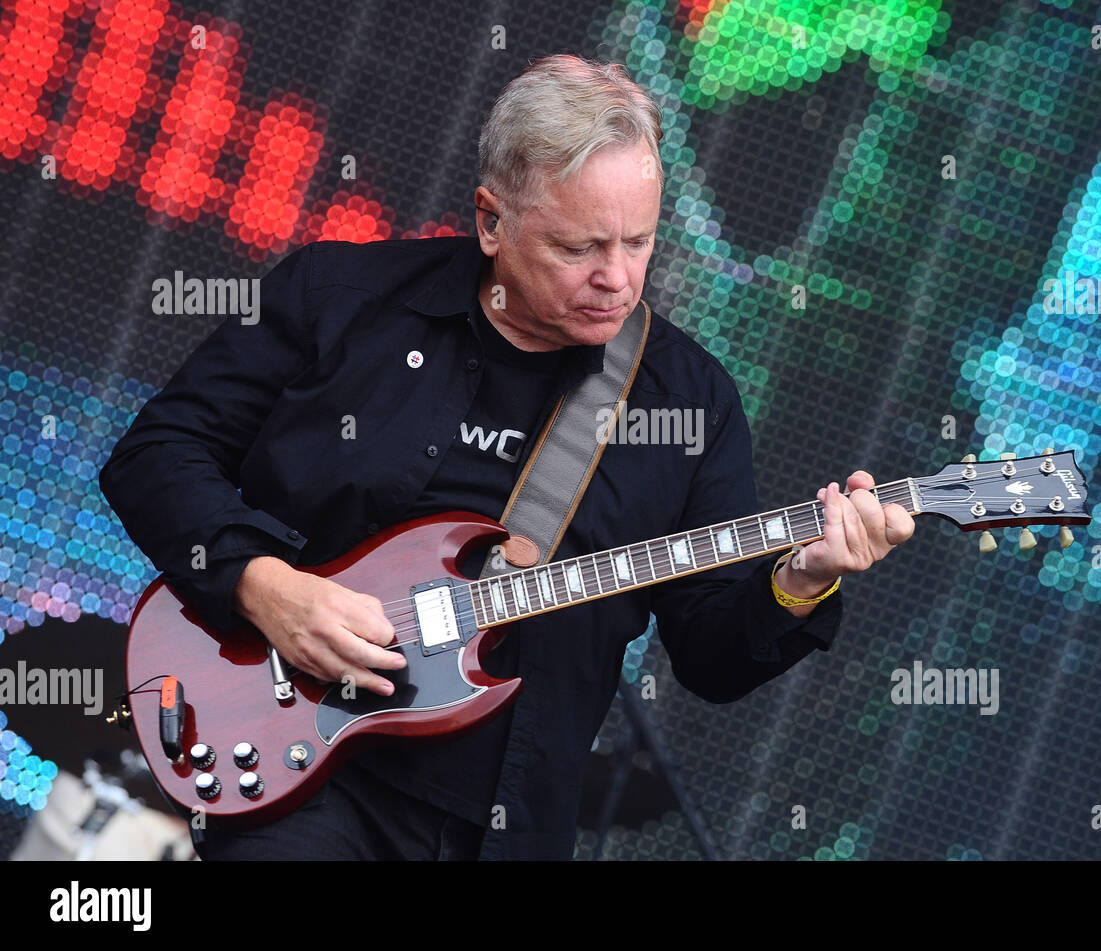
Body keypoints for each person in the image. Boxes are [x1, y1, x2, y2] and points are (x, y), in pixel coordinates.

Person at [98, 54, 915, 861]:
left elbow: (710, 654)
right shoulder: (338, 299)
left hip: (507, 821)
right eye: (580, 248)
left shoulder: (689, 401)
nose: (617, 278)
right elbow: (157, 453)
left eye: (640, 242)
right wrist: (265, 585)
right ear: (492, 220)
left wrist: (801, 580)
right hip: (300, 775)